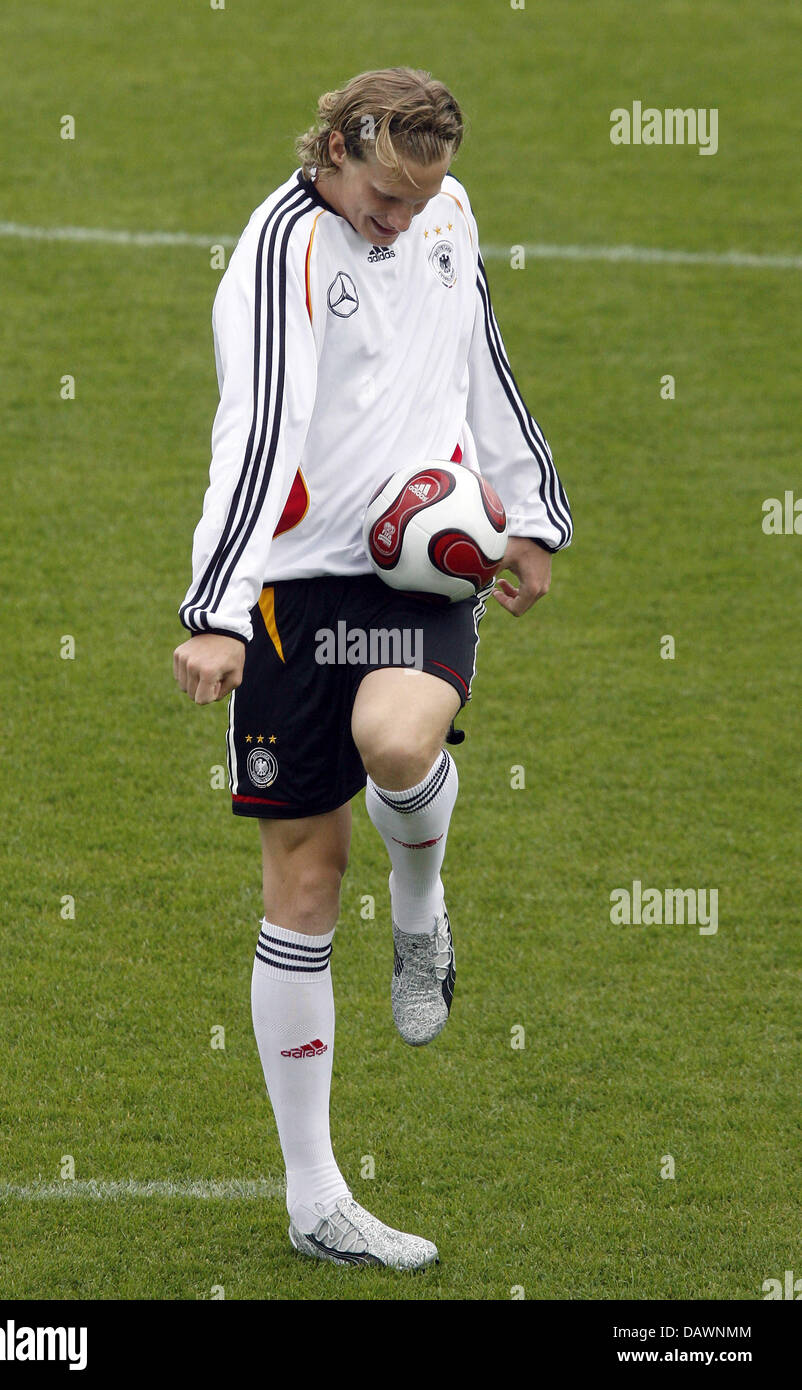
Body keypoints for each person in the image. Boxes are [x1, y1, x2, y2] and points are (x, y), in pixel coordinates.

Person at [173, 67, 572, 1270]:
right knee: (302, 878)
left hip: (418, 560)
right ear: (337, 147)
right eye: (386, 196)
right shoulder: (281, 248)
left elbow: (481, 356)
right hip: (295, 580)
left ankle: (418, 914)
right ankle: (314, 1197)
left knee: (400, 744)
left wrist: (531, 510)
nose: (401, 220)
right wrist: (219, 609)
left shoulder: (444, 215)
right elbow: (258, 430)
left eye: (420, 197)